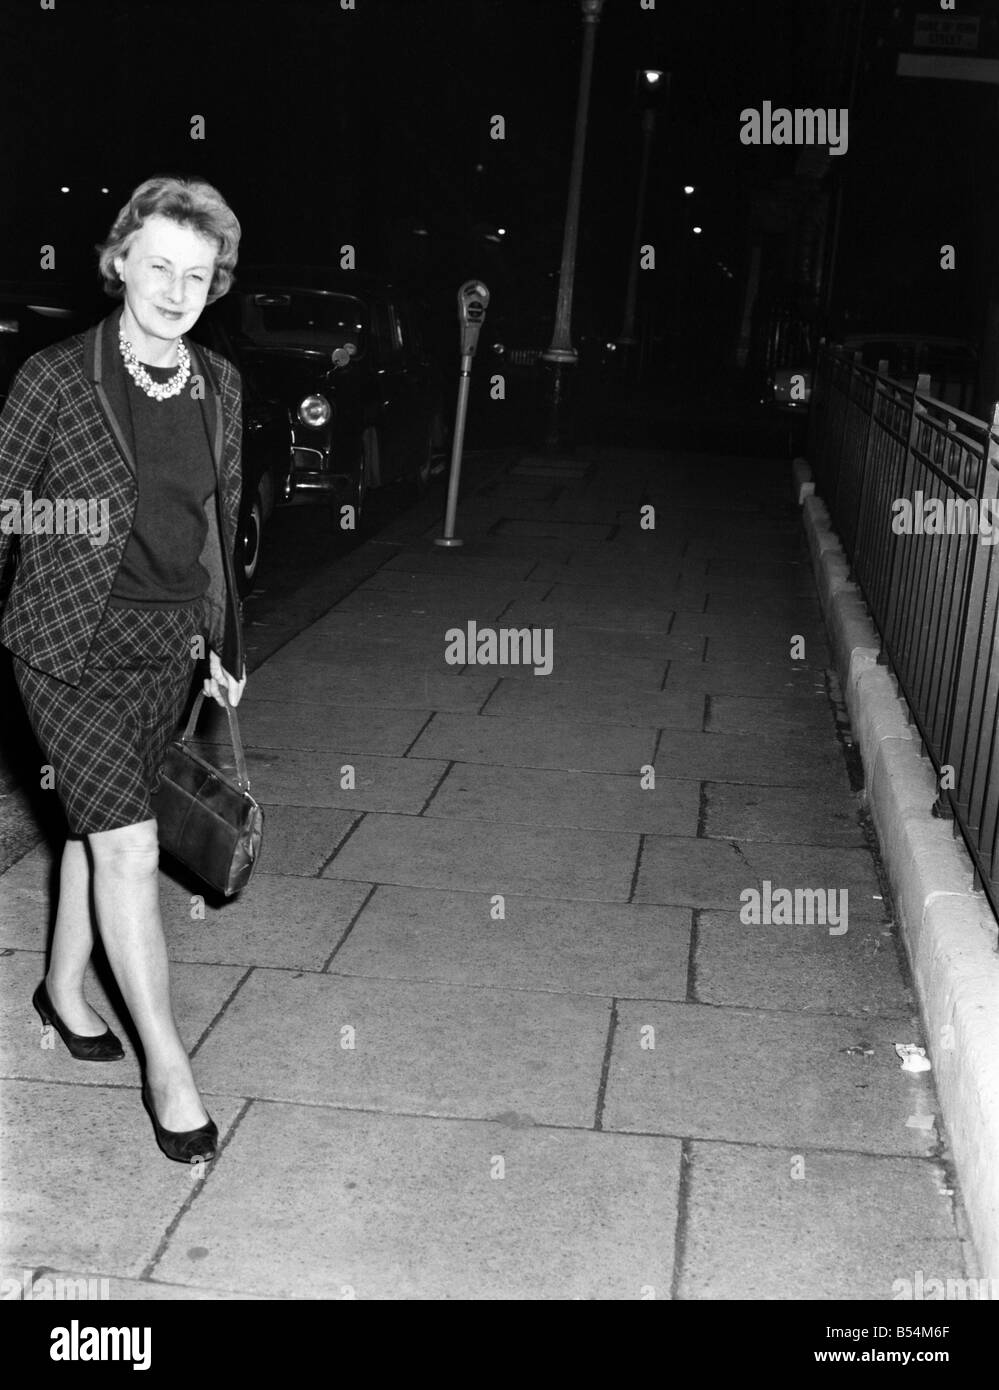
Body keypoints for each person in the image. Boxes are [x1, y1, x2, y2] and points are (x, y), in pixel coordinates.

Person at [0, 175, 247, 1163]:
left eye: (197, 274)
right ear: (119, 262)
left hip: (169, 647)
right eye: (159, 267)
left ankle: (63, 991)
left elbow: (218, 523)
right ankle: (170, 1071)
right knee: (131, 848)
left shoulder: (219, 383)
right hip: (68, 648)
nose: (176, 291)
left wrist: (225, 647)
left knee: (99, 827)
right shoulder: (58, 377)